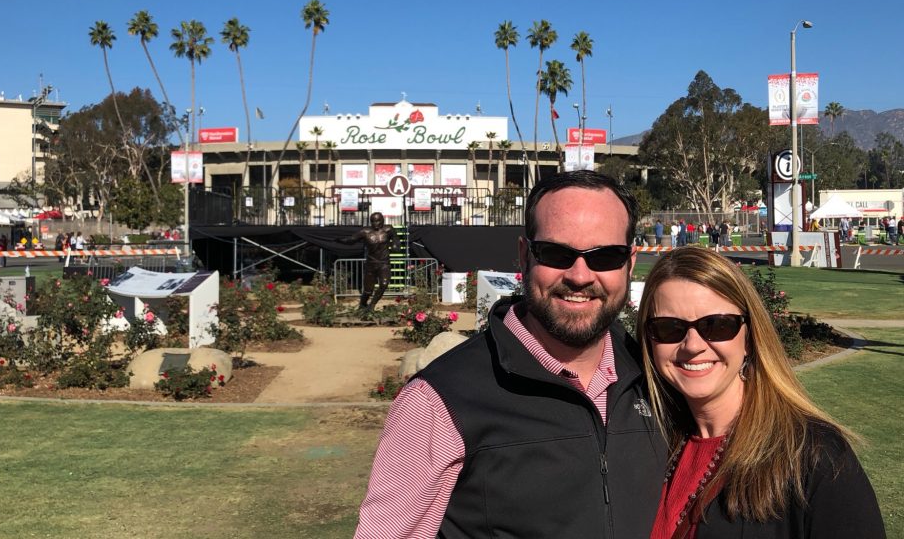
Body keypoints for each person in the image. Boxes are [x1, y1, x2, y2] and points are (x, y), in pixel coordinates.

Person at [355, 171, 666, 538]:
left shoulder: (655, 374)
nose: (580, 276)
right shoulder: (438, 401)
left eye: (605, 256)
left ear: (629, 261)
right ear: (524, 256)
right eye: (556, 253)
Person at [637, 247, 885, 538]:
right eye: (669, 328)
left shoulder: (813, 456)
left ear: (750, 339)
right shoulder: (647, 441)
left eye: (716, 325)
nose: (693, 345)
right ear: (649, 340)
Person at [337, 212, 398, 310]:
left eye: (378, 221)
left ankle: (372, 305)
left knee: (384, 284)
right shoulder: (365, 232)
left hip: (384, 263)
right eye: (373, 221)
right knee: (368, 291)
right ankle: (362, 304)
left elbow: (395, 237)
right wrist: (339, 240)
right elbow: (351, 240)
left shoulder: (388, 229)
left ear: (383, 220)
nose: (376, 223)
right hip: (371, 264)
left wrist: (395, 244)